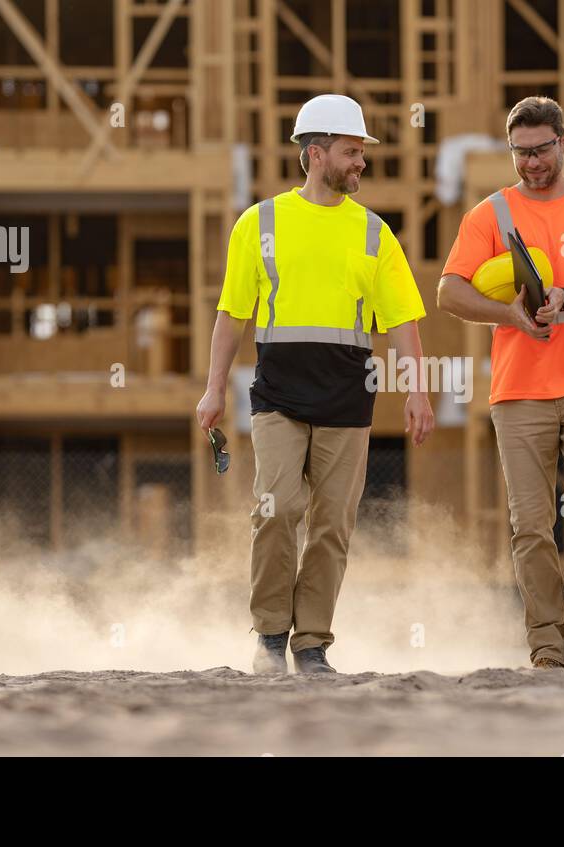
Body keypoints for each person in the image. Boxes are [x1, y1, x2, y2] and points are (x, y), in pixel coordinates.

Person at [196, 94, 434, 674]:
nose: (361, 163)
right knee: (276, 510)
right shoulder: (259, 224)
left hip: (347, 403)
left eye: (361, 153)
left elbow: (403, 321)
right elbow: (233, 314)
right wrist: (213, 388)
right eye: (352, 152)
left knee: (332, 526)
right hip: (278, 397)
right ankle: (271, 638)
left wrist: (419, 392)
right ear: (315, 153)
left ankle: (312, 646)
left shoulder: (375, 234)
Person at [436, 96, 564, 670]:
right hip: (518, 390)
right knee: (531, 525)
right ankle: (546, 644)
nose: (531, 163)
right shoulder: (489, 215)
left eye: (541, 150)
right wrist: (508, 316)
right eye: (519, 153)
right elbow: (449, 291)